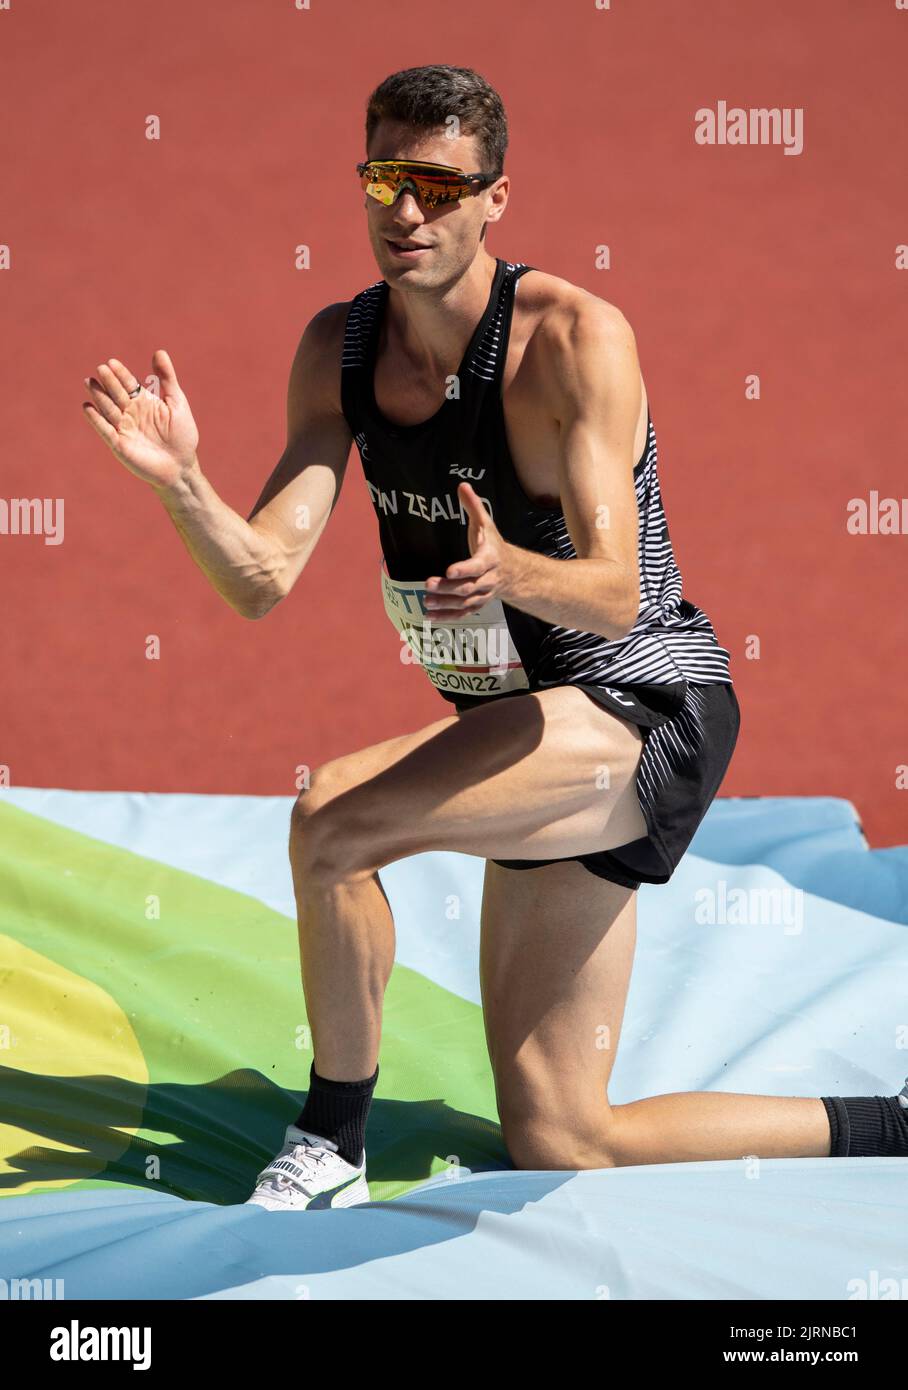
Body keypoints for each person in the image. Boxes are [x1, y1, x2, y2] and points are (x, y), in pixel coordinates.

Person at [81, 65, 908, 1211]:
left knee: (332, 820)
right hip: (525, 726)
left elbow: (615, 596)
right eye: (384, 179)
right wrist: (182, 486)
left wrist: (507, 568)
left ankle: (330, 1144)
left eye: (435, 185)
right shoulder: (340, 350)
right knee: (561, 1135)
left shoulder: (571, 342)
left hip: (636, 708)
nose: (404, 213)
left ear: (494, 199)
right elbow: (261, 576)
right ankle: (894, 1123)